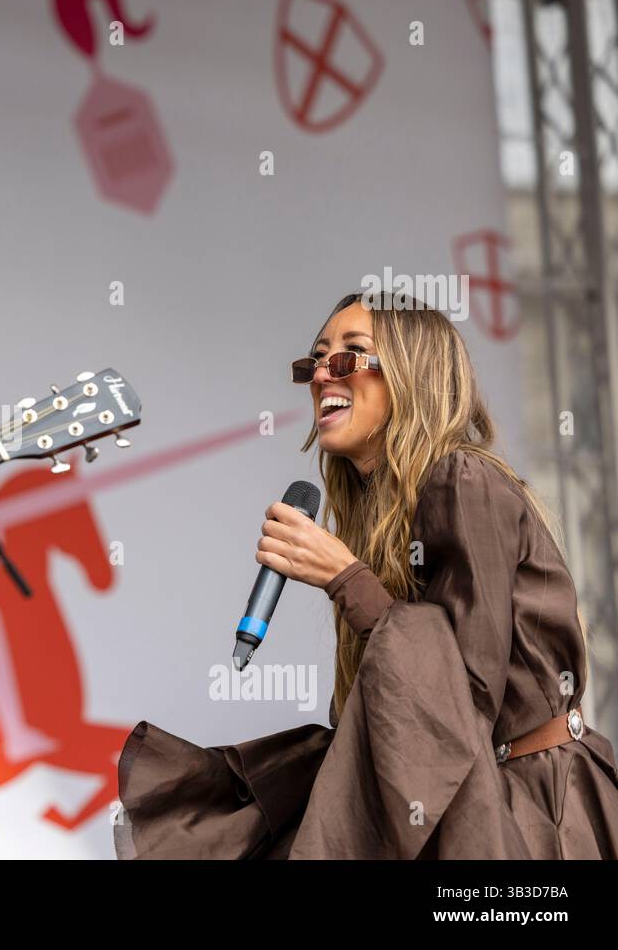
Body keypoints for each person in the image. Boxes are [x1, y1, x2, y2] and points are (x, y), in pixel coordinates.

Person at [115, 291, 618, 859]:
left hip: (535, 817)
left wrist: (346, 579)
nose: (322, 374)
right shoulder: (381, 516)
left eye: (350, 356)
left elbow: (465, 697)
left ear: (412, 375)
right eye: (315, 360)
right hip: (467, 803)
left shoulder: (462, 479)